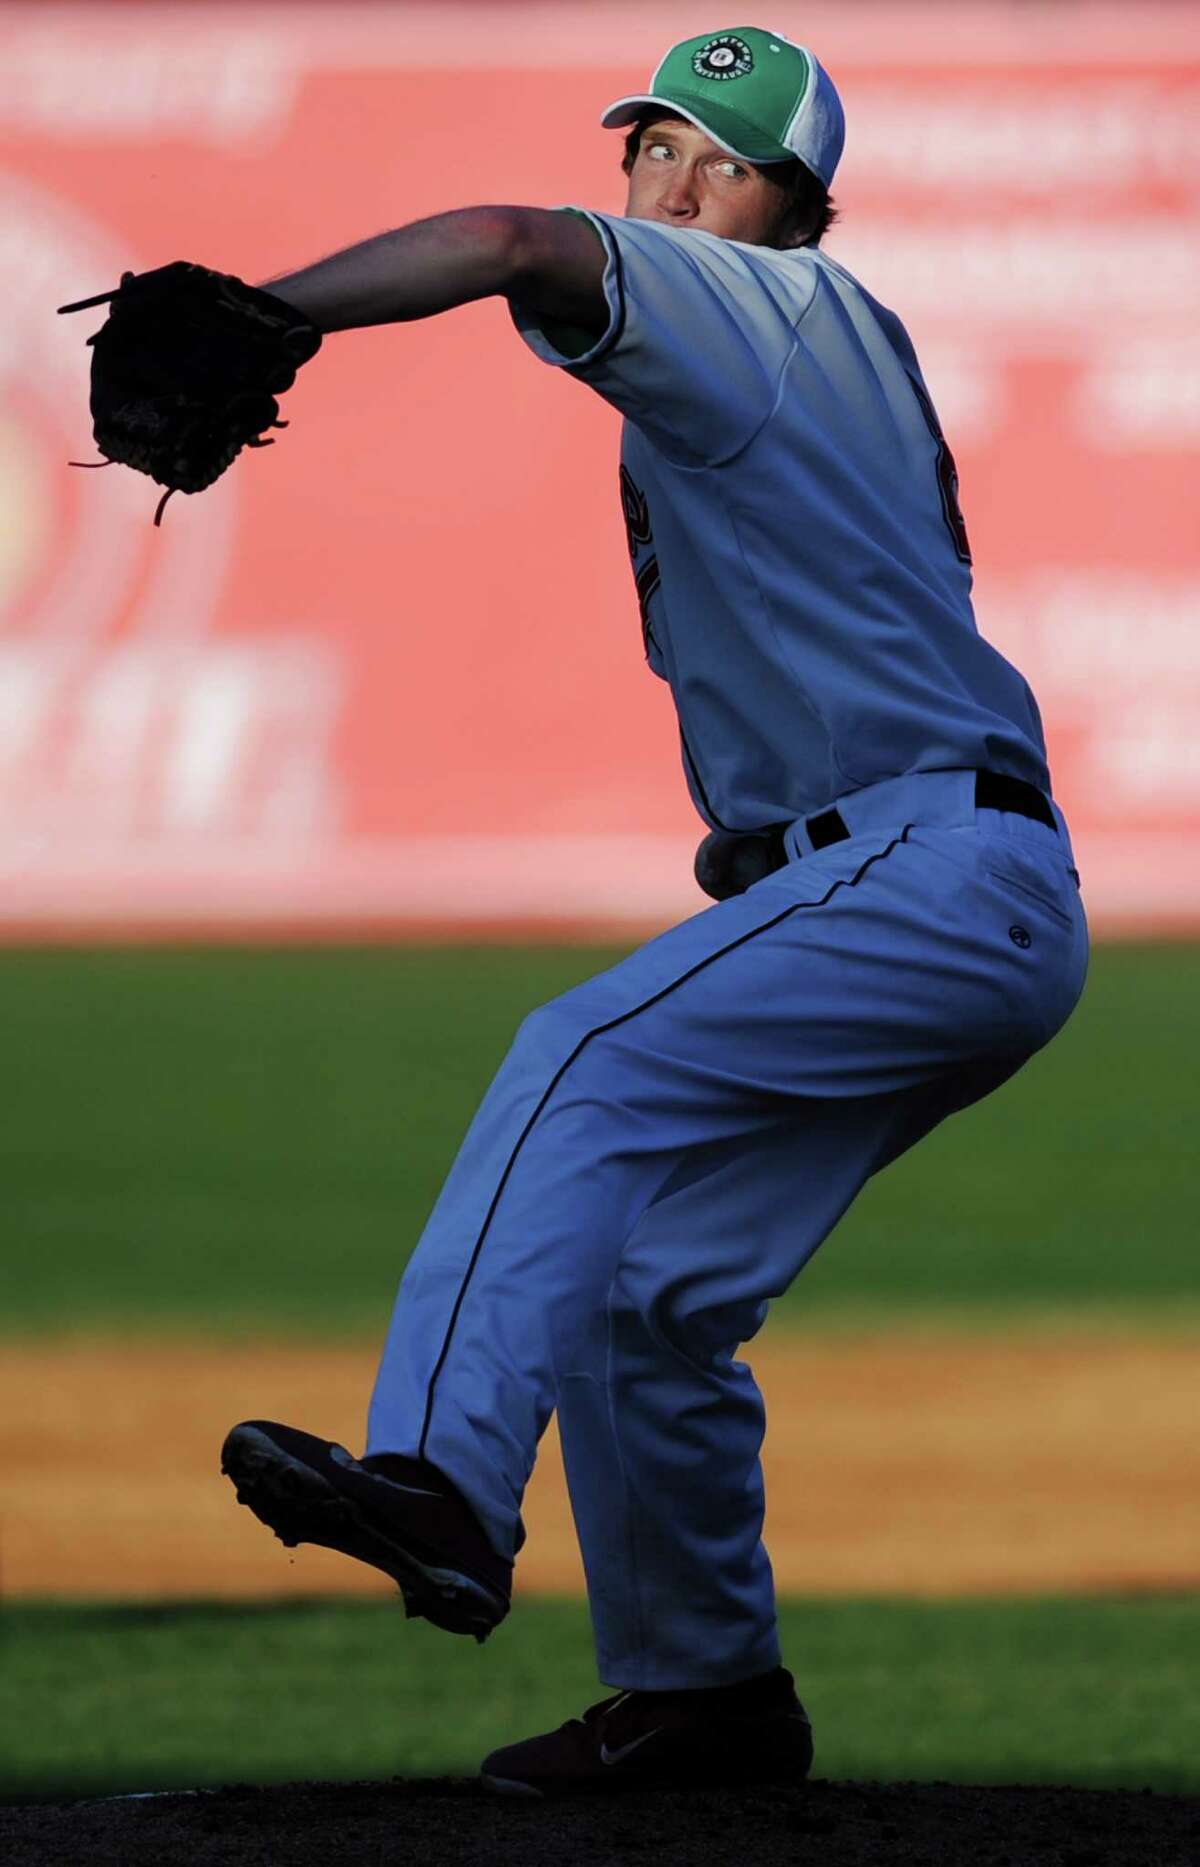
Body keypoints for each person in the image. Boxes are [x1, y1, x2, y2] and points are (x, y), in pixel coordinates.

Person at [222, 26, 1089, 1800]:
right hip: (955, 879)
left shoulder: (751, 309)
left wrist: (269, 309)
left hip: (926, 871)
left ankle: (444, 1479)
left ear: (797, 210)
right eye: (654, 148)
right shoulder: (822, 347)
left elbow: (507, 240)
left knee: (579, 1056)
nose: (675, 188)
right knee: (645, 1292)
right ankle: (707, 1696)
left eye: (726, 161)